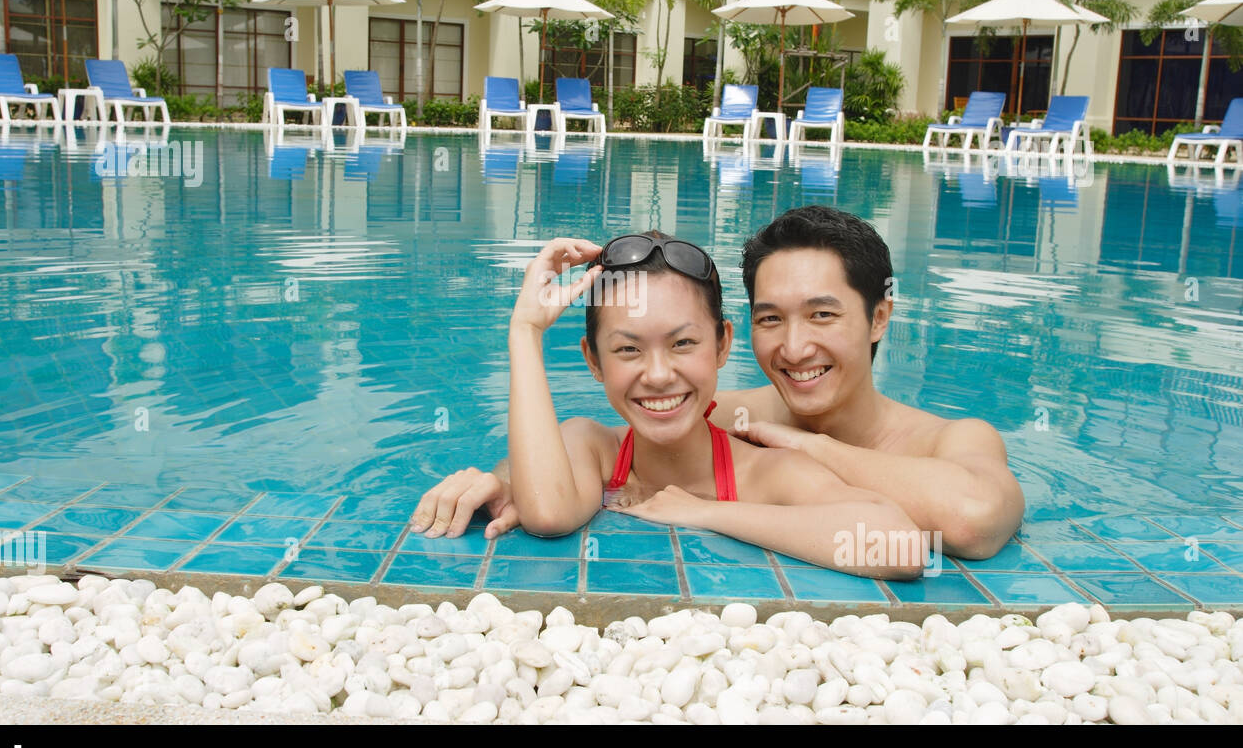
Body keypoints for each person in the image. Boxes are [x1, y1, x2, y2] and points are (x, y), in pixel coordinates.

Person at [414, 207, 1023, 560]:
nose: (793, 346)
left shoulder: (954, 438)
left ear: (878, 317)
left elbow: (967, 520)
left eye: (823, 314)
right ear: (739, 335)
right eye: (770, 319)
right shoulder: (731, 409)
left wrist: (807, 446)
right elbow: (633, 418)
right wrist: (504, 477)